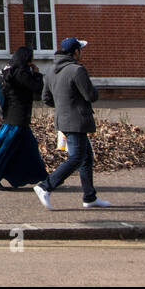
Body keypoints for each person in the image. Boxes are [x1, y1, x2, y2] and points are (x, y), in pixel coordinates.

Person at [34, 37, 110, 209]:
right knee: (76, 158)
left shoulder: (51, 70)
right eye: (80, 50)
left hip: (63, 119)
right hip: (77, 120)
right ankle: (45, 186)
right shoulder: (77, 70)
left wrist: (63, 106)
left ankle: (89, 197)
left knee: (86, 158)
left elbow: (46, 98)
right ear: (76, 52)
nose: (81, 53)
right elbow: (90, 95)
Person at [0, 45, 48, 190]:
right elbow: (37, 89)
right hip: (17, 118)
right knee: (6, 148)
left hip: (15, 117)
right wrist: (37, 74)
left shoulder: (10, 71)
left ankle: (44, 178)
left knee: (30, 149)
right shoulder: (21, 74)